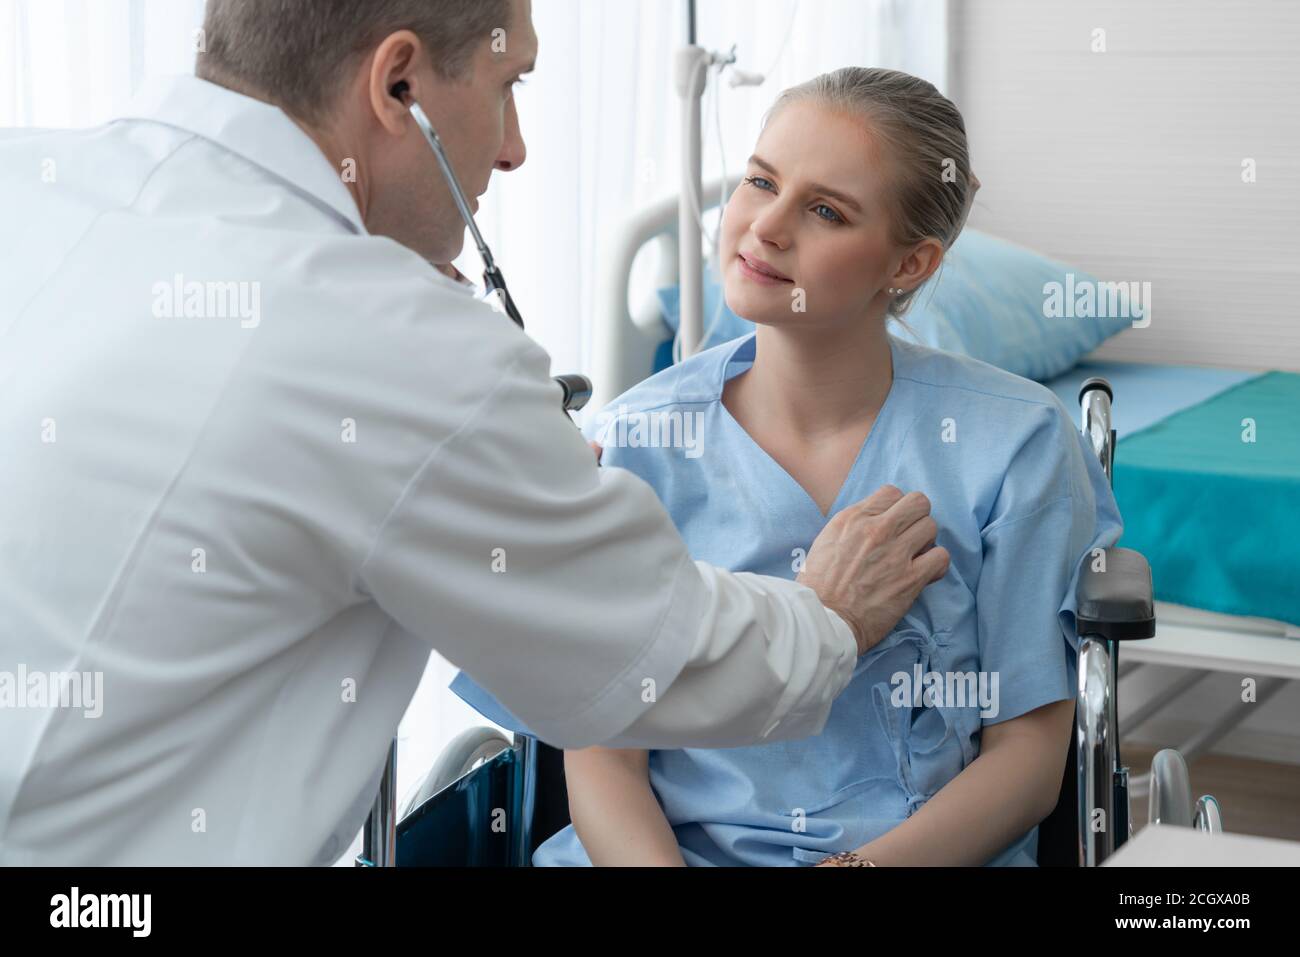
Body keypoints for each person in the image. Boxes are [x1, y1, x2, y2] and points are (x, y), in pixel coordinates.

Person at [0, 3, 945, 864]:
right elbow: (650, 661)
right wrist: (825, 615)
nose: (516, 149)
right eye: (510, 89)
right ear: (398, 84)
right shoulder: (399, 344)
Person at [529, 68, 1121, 867]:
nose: (764, 227)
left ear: (909, 265)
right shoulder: (642, 438)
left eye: (824, 210)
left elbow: (1027, 760)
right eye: (759, 181)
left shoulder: (1014, 445)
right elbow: (603, 751)